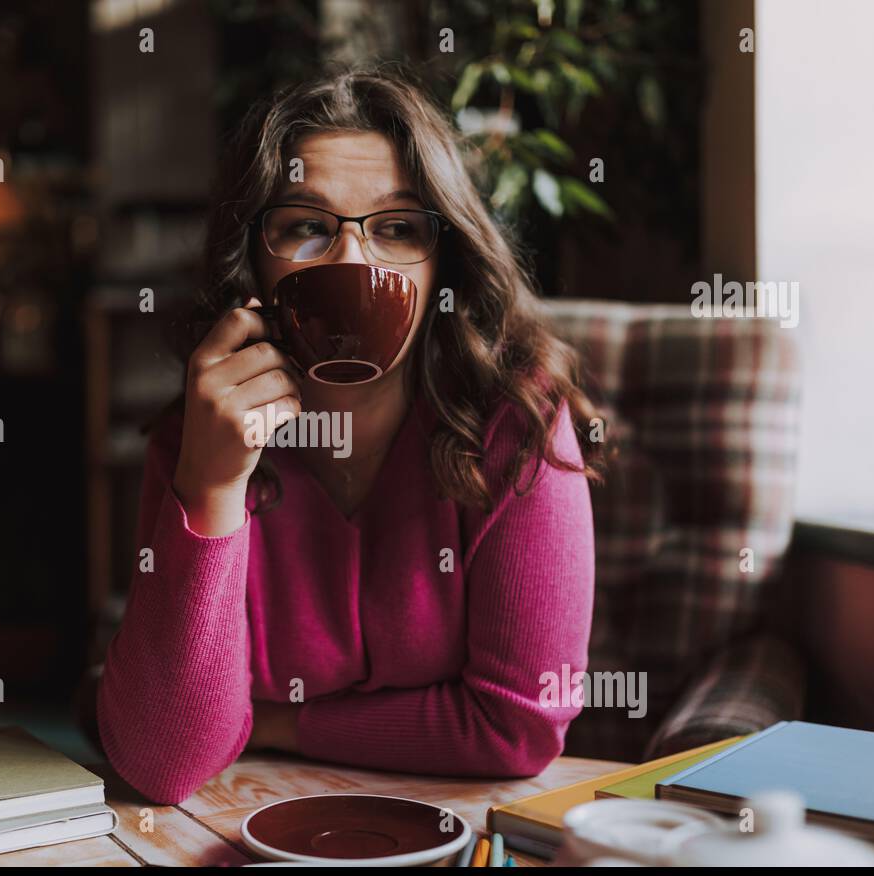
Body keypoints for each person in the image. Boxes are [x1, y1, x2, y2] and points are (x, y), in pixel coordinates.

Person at [93, 66, 605, 804]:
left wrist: (271, 723)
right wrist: (211, 486)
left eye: (397, 229)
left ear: (443, 261)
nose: (353, 262)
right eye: (306, 226)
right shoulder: (202, 438)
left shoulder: (514, 424)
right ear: (255, 265)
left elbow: (516, 729)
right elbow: (163, 765)